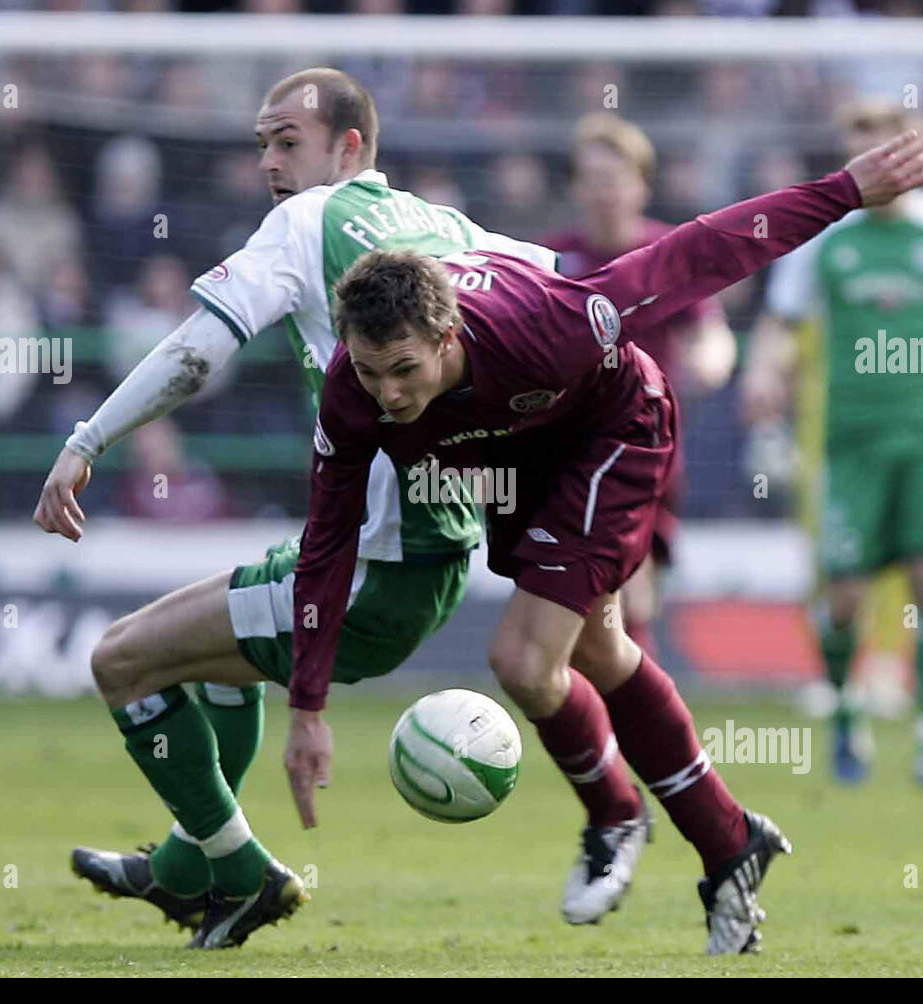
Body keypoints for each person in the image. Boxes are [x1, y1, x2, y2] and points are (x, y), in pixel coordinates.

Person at [282, 129, 923, 952]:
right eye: (371, 372)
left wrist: (844, 189)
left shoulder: (551, 323)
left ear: (448, 337)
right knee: (597, 649)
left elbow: (700, 252)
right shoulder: (353, 396)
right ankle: (730, 843)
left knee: (525, 660)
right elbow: (326, 542)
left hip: (618, 428)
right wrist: (307, 706)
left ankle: (617, 814)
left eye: (404, 371)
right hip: (520, 455)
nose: (387, 393)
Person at [33, 67, 602, 951]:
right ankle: (185, 871)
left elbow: (196, 353)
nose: (267, 159)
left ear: (349, 147)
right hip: (420, 563)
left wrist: (87, 440)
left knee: (121, 663)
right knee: (218, 666)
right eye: (261, 141)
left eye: (286, 140)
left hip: (369, 570)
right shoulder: (445, 226)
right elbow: (563, 294)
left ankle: (242, 871)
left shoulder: (307, 220)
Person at [741, 101, 923, 787]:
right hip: (848, 437)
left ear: (913, 152)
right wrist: (764, 370)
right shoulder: (825, 239)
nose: (873, 161)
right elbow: (780, 319)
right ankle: (848, 720)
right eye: (859, 147)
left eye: (885, 147)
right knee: (847, 595)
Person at [543, 114, 736, 660]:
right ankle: (608, 722)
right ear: (578, 187)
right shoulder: (553, 260)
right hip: (564, 450)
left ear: (641, 184)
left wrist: (710, 361)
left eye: (617, 177)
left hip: (644, 444)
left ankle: (629, 724)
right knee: (577, 599)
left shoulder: (665, 252)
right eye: (594, 178)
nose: (606, 192)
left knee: (629, 587)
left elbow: (712, 334)